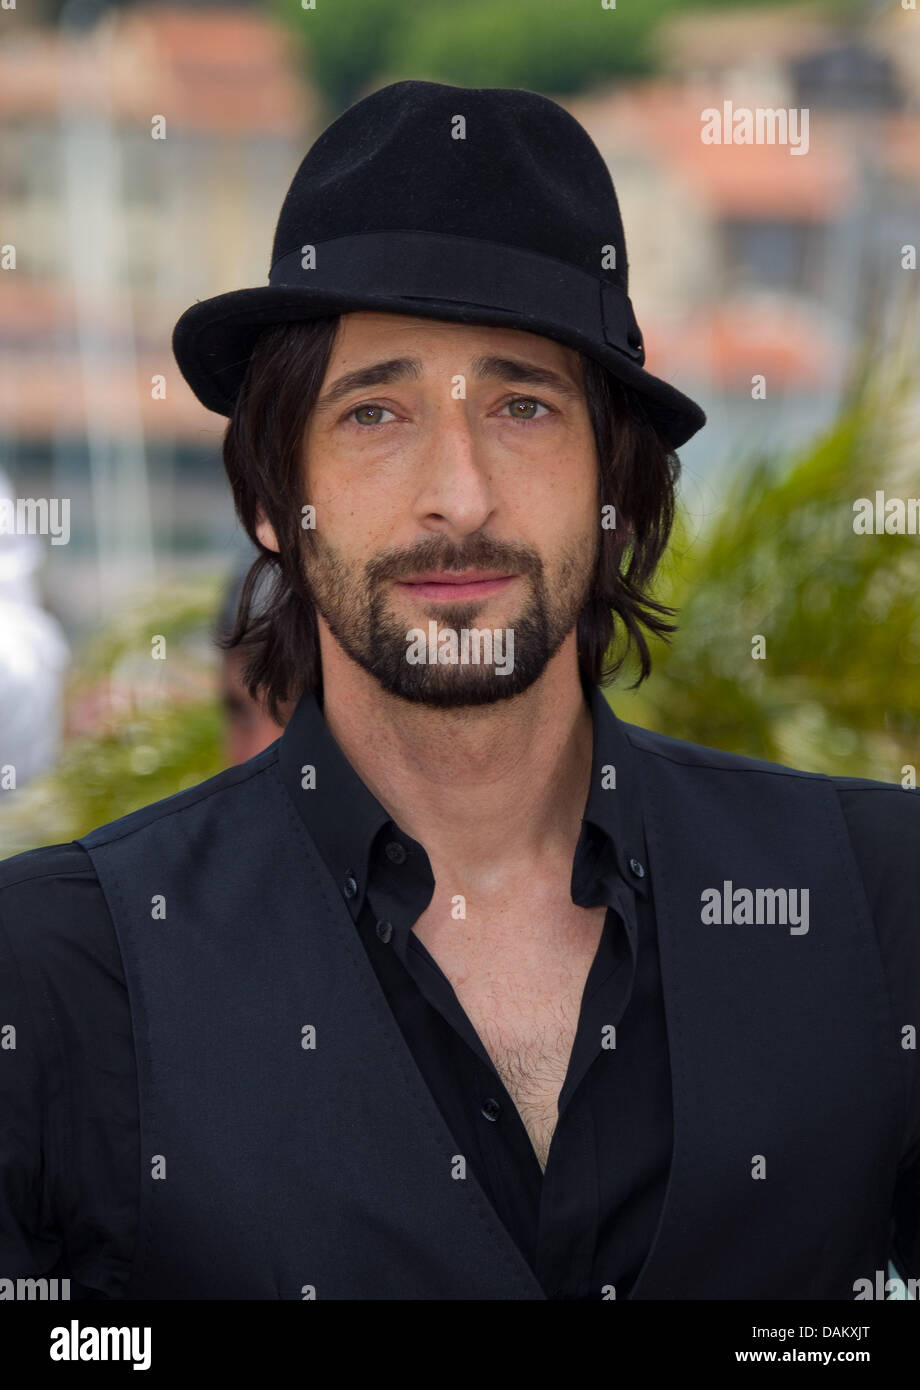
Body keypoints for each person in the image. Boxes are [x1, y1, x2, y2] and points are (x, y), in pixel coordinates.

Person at [0, 80, 917, 1302]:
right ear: (273, 498)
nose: (461, 494)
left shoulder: (875, 898)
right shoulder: (56, 967)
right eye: (374, 411)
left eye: (522, 406)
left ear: (618, 488)